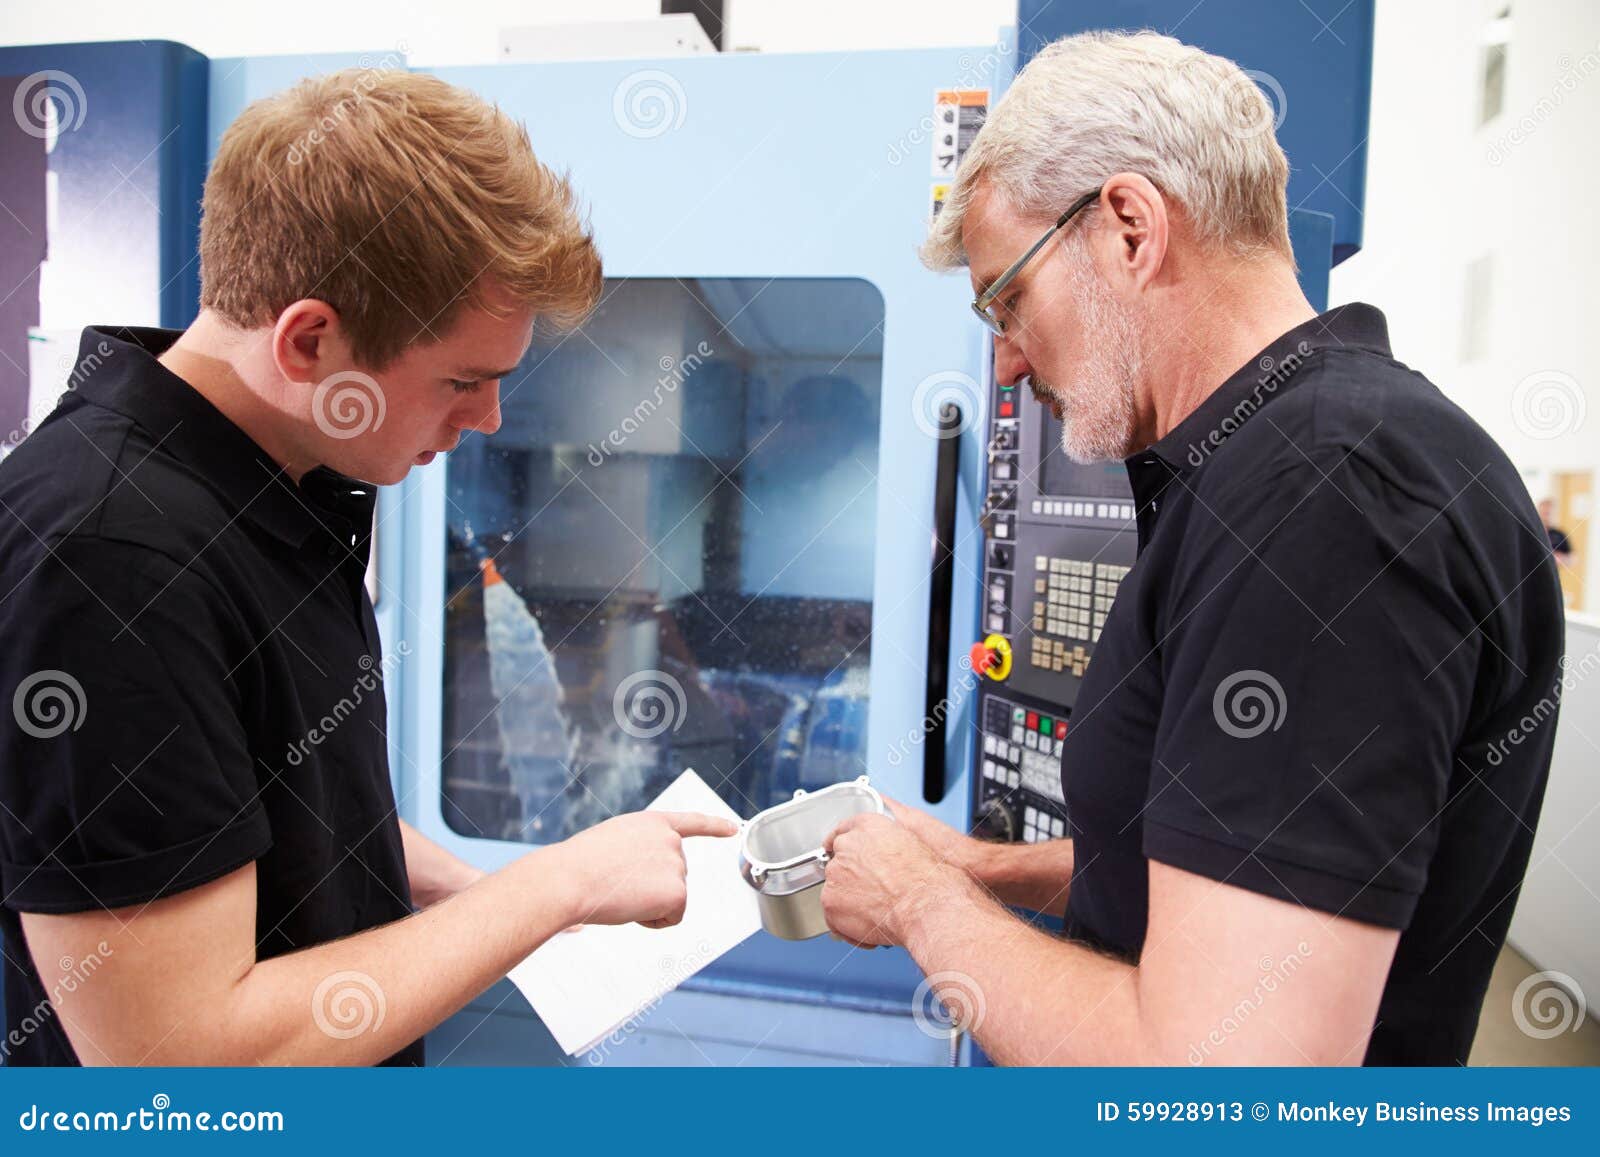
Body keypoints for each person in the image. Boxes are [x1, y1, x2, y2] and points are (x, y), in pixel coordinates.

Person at [820, 31, 1564, 1066]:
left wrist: (919, 903)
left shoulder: (1326, 498)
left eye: (1008, 299)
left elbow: (1230, 1078)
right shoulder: (1271, 467)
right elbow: (1224, 872)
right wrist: (985, 872)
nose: (1006, 362)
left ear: (1130, 228)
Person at [0, 69, 734, 1067]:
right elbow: (175, 1061)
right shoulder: (111, 558)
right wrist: (556, 887)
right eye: (462, 380)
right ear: (309, 340)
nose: (488, 420)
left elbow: (281, 809)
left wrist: (475, 892)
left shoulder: (270, 490)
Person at [1538, 498, 1574, 566]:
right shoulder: (1533, 532)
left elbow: (1572, 558)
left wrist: (1561, 558)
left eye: (1548, 513)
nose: (1546, 516)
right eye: (1544, 512)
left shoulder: (1559, 534)